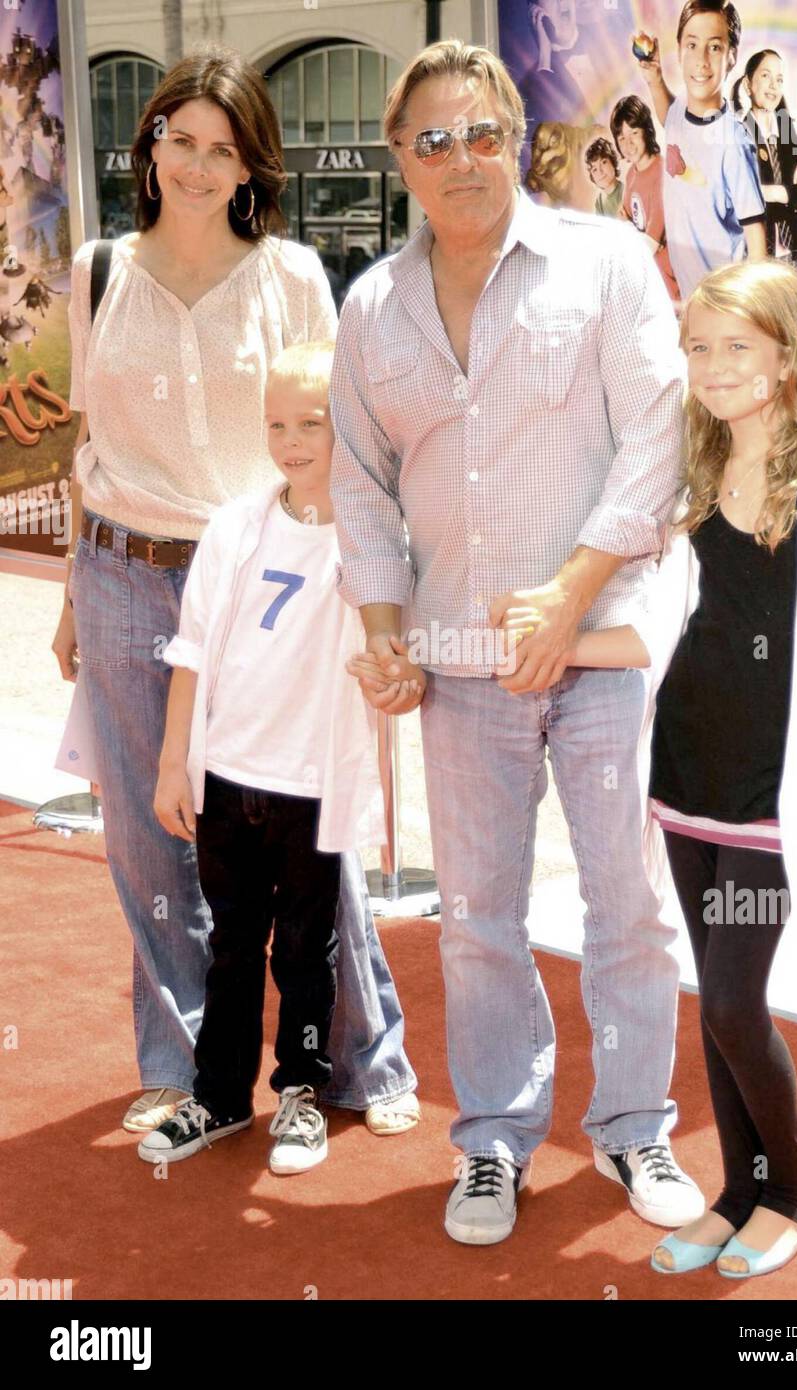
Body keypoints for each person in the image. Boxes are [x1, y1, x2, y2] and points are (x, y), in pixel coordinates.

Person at [331, 38, 706, 1247]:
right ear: (399, 160)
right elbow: (357, 484)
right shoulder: (370, 308)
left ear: (515, 140)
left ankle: (633, 1121)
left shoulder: (603, 265)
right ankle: (491, 1138)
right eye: (430, 140)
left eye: (480, 132)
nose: (459, 159)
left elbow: (658, 437)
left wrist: (570, 591)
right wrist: (385, 633)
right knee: (476, 914)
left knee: (626, 904)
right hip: (457, 669)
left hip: (595, 652)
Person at [51, 46, 418, 1139]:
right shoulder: (98, 269)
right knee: (146, 834)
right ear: (150, 144)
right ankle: (182, 1061)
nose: (199, 166)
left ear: (251, 165)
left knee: (307, 825)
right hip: (124, 575)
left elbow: (335, 442)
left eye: (223, 148)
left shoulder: (294, 277)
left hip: (267, 591)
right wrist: (75, 592)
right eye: (180, 138)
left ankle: (355, 1056)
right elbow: (88, 440)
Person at [546, 260, 797, 1277]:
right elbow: (661, 620)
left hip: (766, 794)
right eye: (696, 346)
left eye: (734, 345)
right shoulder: (693, 468)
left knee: (738, 1000)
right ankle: (736, 1189)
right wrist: (554, 637)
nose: (709, 366)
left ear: (786, 352)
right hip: (686, 775)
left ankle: (790, 1187)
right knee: (712, 991)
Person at [140, 342, 401, 1171]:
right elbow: (189, 653)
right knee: (231, 942)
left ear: (349, 428)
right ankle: (218, 1097)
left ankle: (300, 1092)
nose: (291, 441)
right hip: (228, 778)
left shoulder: (372, 537)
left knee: (306, 947)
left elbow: (396, 648)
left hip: (312, 786)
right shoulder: (235, 527)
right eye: (277, 424)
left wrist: (391, 667)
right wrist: (174, 761)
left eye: (311, 424)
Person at [634, 0, 767, 299]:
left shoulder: (733, 142)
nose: (701, 60)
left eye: (715, 47)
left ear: (732, 57)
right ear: (679, 50)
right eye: (692, 45)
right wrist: (655, 79)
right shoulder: (680, 110)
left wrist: (757, 305)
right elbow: (670, 118)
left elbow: (755, 233)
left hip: (725, 297)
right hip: (689, 292)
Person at [731, 50, 797, 267]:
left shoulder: (786, 132)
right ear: (748, 84)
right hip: (755, 253)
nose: (773, 85)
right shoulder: (738, 134)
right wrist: (790, 192)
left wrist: (776, 192)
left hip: (790, 251)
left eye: (779, 79)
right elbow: (738, 197)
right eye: (765, 76)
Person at [610, 94, 680, 303]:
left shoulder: (663, 173)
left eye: (634, 132)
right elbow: (621, 223)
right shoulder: (631, 174)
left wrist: (633, 232)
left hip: (674, 285)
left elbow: (648, 246)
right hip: (650, 283)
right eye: (621, 137)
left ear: (646, 132)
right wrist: (631, 231)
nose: (628, 143)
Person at [584, 136, 623, 219]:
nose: (600, 172)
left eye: (604, 162)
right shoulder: (599, 201)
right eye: (594, 169)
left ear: (613, 162)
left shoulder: (625, 191)